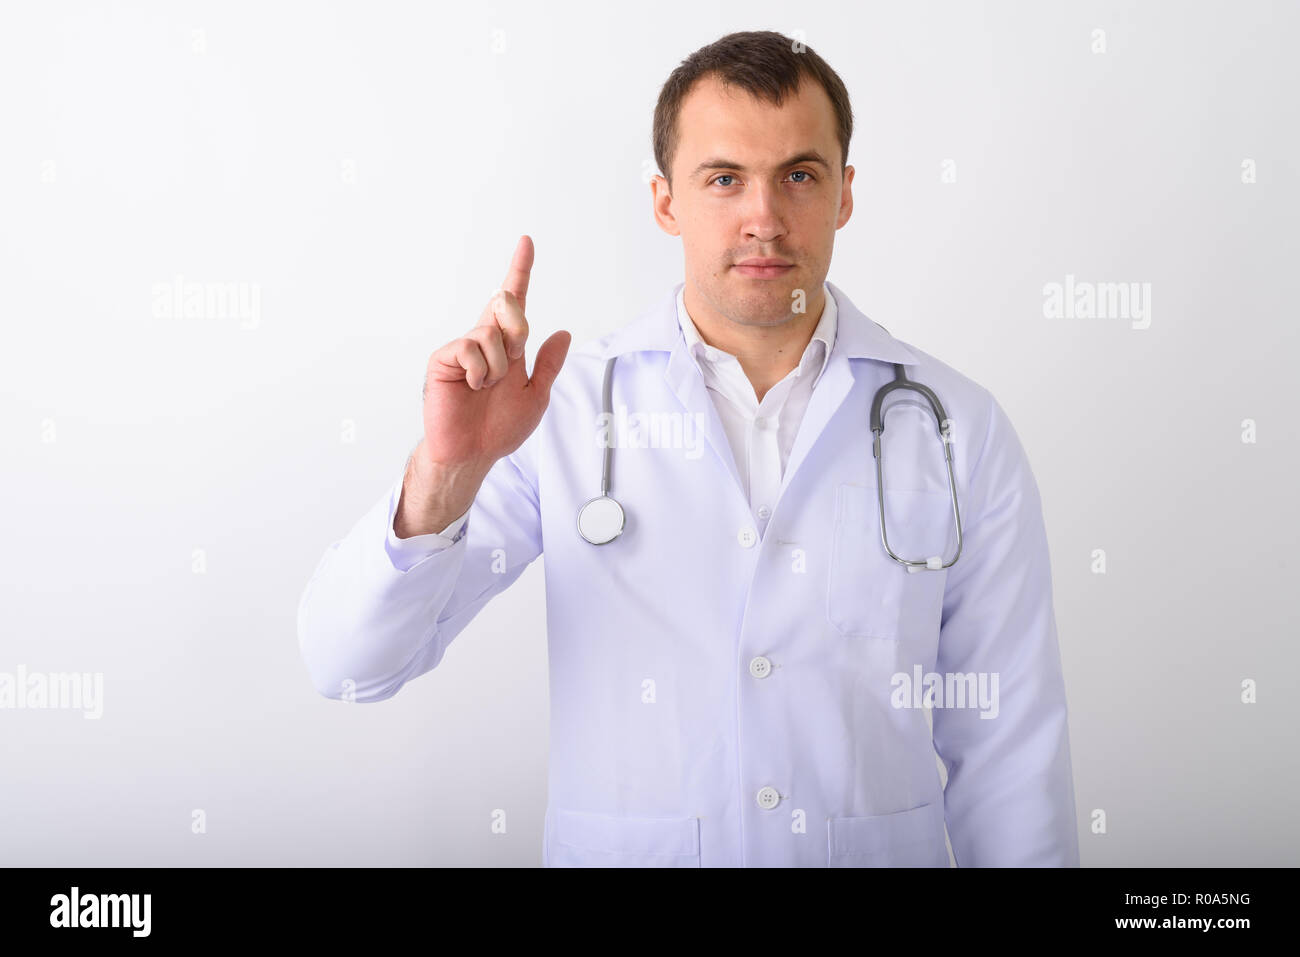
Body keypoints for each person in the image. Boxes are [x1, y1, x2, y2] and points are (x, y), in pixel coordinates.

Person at [297, 30, 1080, 867]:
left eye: (800, 176)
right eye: (724, 179)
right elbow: (348, 663)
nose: (764, 219)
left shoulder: (958, 425)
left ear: (845, 194)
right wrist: (447, 472)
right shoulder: (556, 412)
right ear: (665, 200)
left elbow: (1009, 754)